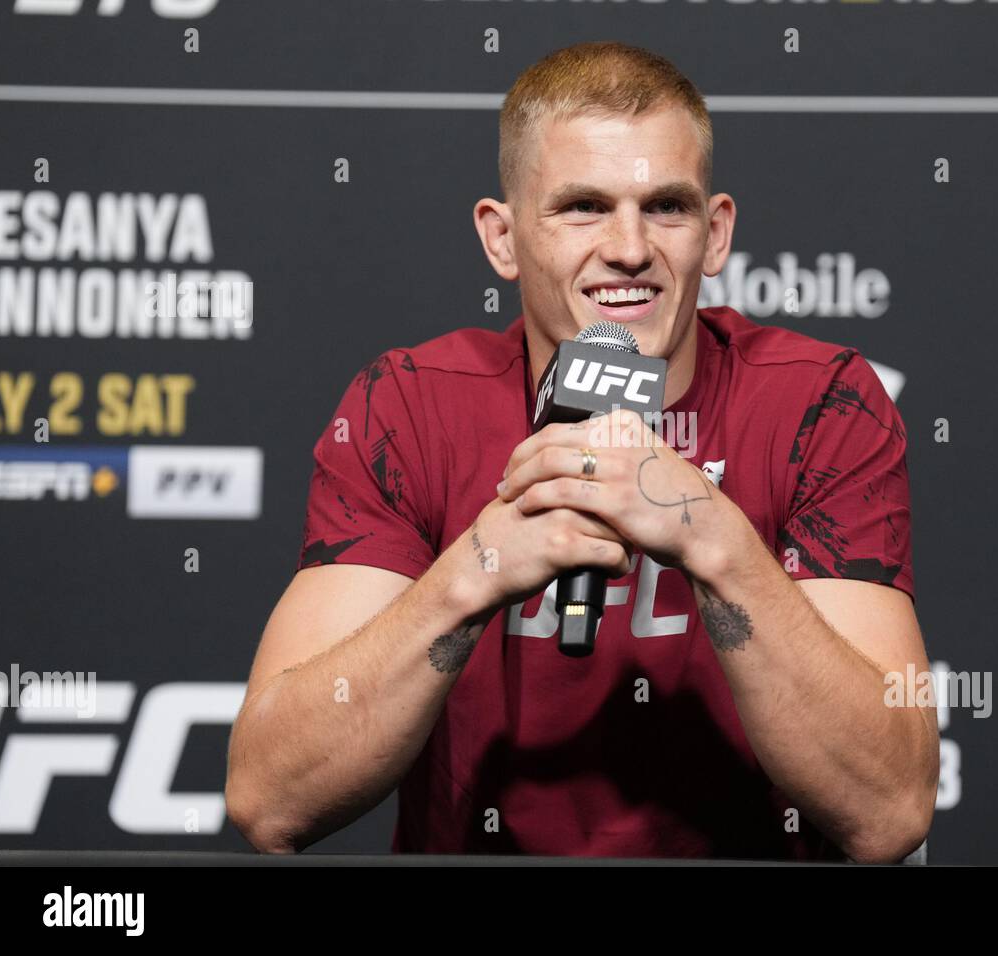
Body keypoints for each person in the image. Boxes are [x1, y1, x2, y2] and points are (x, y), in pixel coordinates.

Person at [225, 41, 937, 862]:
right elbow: (270, 798)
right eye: (583, 207)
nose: (629, 248)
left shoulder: (820, 401)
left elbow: (888, 809)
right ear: (502, 236)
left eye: (666, 207)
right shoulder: (411, 405)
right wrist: (476, 567)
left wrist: (709, 532)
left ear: (716, 233)